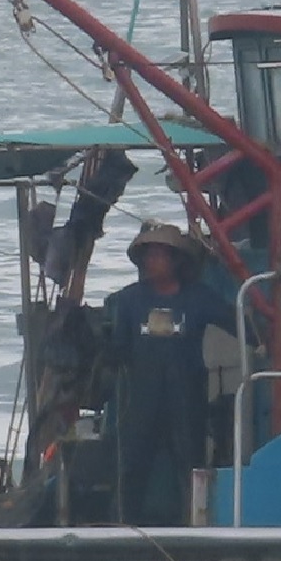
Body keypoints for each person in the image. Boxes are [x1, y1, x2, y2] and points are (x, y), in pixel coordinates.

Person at [101, 220, 235, 527]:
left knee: (189, 464)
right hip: (140, 400)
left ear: (176, 260)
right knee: (132, 466)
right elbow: (116, 349)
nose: (152, 261)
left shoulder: (199, 297)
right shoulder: (128, 300)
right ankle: (124, 530)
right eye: (148, 255)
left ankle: (193, 529)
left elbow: (240, 324)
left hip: (186, 397)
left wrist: (266, 334)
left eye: (160, 255)